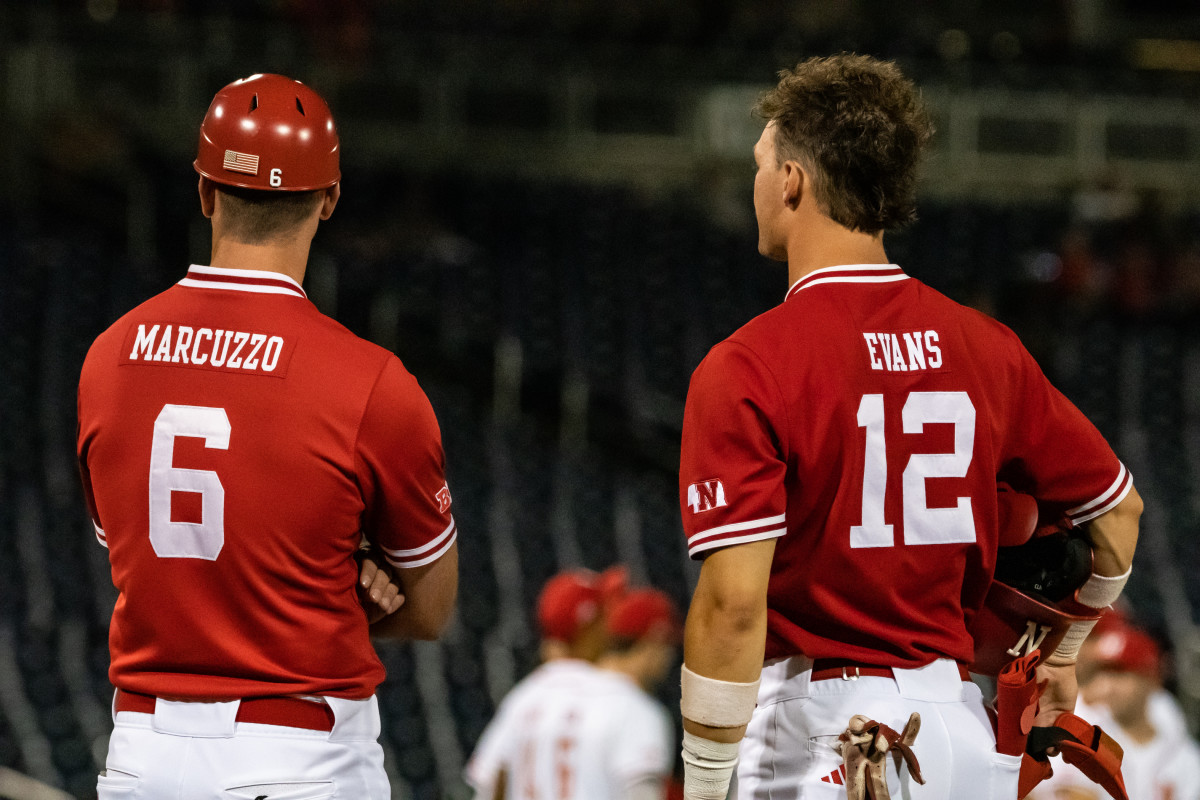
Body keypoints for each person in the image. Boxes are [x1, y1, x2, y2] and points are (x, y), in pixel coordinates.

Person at [675, 54, 1143, 800]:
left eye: (762, 163)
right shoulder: (986, 346)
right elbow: (1118, 516)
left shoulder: (749, 363)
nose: (757, 182)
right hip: (957, 733)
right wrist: (1065, 649)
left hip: (827, 738)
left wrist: (702, 785)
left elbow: (733, 606)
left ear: (792, 179)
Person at [76, 73, 459, 799]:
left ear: (204, 191)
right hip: (298, 759)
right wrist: (344, 573)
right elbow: (430, 609)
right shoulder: (371, 381)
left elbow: (141, 558)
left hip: (142, 758)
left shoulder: (107, 357)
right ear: (330, 198)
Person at [466, 574, 679, 800]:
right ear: (590, 627)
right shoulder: (629, 705)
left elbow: (486, 789)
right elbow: (641, 792)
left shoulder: (521, 699)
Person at [1032, 624, 1200, 800]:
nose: (1109, 686)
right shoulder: (1085, 736)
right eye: (1105, 673)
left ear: (1150, 678)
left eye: (1120, 674)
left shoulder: (1184, 755)